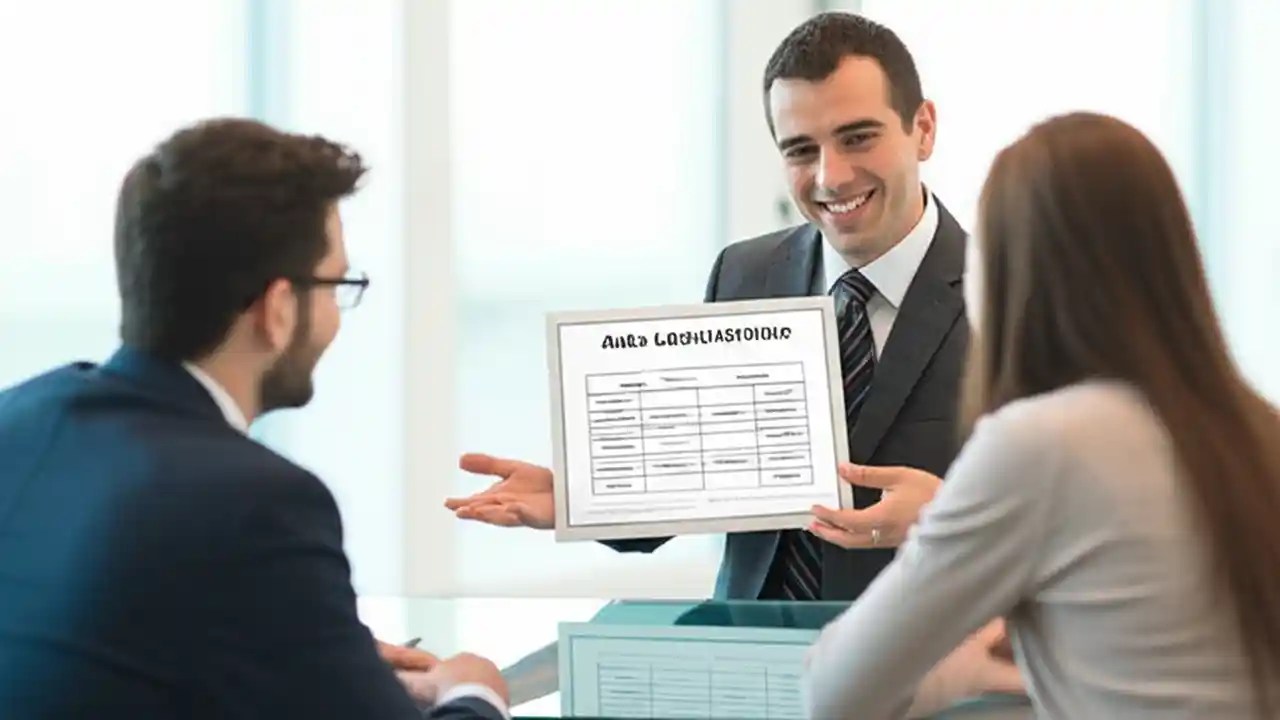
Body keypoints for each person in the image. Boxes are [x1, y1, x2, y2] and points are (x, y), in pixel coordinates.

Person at [447, 11, 969, 603]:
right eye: (801, 149)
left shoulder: (1012, 298)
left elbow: (1075, 519)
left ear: (922, 129)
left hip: (931, 669)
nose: (831, 175)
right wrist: (582, 498)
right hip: (748, 661)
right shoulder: (746, 274)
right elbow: (702, 476)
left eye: (857, 137)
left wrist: (947, 515)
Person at [0, 118, 508, 719]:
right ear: (277, 308)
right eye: (337, 285)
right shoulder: (258, 503)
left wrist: (313, 647)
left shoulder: (23, 418)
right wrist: (473, 693)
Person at [803, 112, 1280, 718]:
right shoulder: (1259, 430)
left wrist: (966, 665)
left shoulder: (1041, 443)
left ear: (1012, 274)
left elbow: (834, 691)